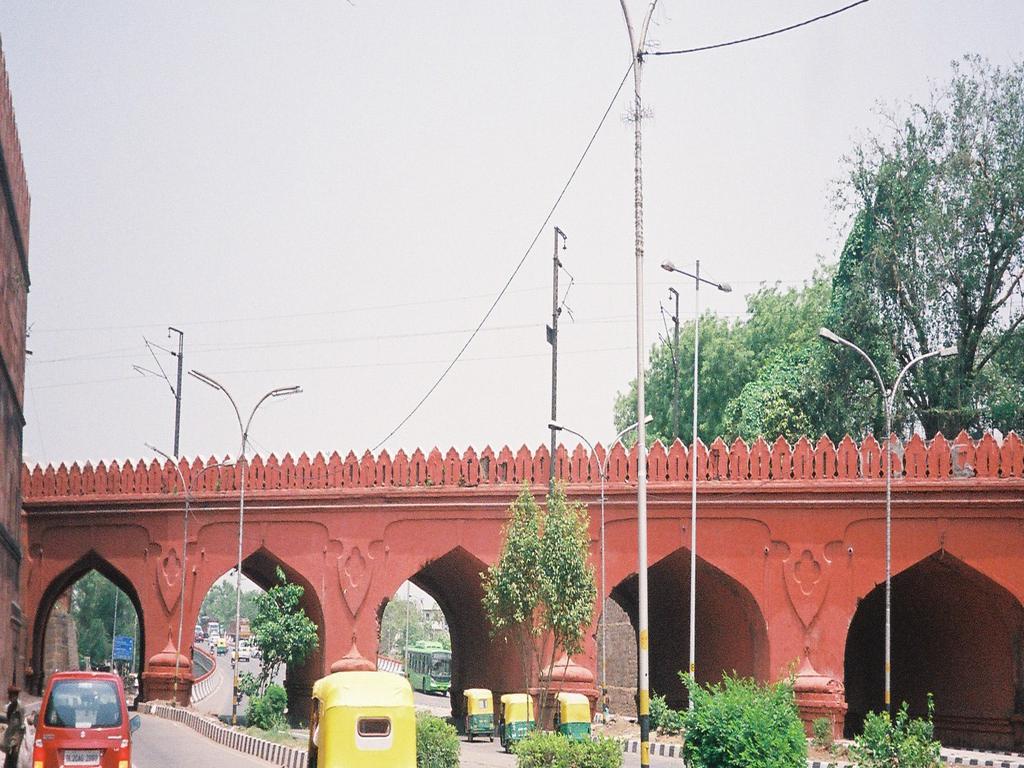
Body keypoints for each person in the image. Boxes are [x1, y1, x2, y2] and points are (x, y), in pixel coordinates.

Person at [2, 685, 25, 768]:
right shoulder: (11, 706)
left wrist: (16, 739)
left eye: (10, 695)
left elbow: (22, 725)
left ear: (15, 696)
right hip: (11, 736)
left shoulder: (19, 708)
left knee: (13, 759)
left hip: (15, 738)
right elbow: (9, 720)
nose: (9, 697)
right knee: (9, 758)